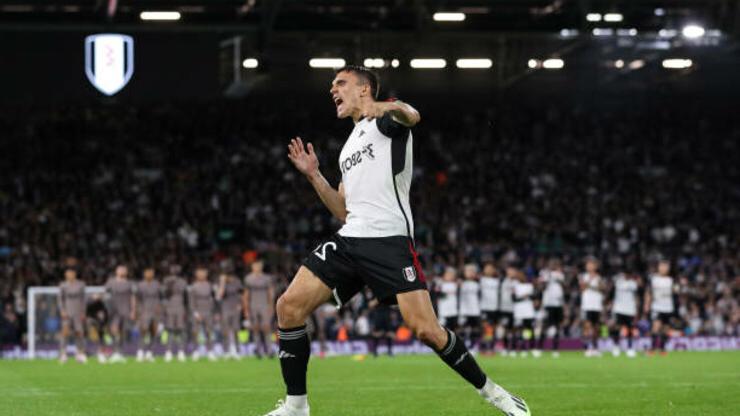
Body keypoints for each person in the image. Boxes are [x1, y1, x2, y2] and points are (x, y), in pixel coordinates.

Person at [262, 66, 530, 416]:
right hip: (351, 238)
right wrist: (314, 176)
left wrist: (385, 107)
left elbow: (413, 115)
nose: (333, 90)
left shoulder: (386, 122)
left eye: (340, 83)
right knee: (288, 306)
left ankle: (494, 393)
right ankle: (296, 406)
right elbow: (343, 211)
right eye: (332, 85)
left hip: (388, 240)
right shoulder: (347, 148)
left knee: (426, 331)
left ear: (364, 89)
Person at [244, 260, 276, 358]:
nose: (257, 267)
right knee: (256, 328)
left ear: (261, 266)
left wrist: (271, 306)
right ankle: (257, 350)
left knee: (267, 328)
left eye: (259, 266)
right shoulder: (248, 278)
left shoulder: (267, 278)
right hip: (253, 305)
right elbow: (246, 295)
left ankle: (269, 350)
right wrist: (246, 309)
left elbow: (270, 293)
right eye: (255, 266)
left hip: (264, 305)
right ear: (252, 267)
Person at [104, 265, 136, 363]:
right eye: (120, 270)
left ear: (126, 272)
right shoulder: (111, 282)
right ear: (116, 272)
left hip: (125, 311)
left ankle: (120, 353)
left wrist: (133, 311)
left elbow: (133, 298)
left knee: (122, 332)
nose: (122, 272)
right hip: (114, 311)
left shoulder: (130, 283)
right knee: (114, 329)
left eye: (124, 270)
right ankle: (115, 352)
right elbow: (105, 294)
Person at [645, 260, 675, 355]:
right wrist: (646, 304)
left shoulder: (671, 280)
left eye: (666, 267)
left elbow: (675, 292)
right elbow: (648, 292)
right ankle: (653, 348)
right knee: (655, 327)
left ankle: (662, 348)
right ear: (658, 267)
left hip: (668, 307)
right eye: (662, 266)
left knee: (665, 329)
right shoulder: (654, 279)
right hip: (657, 307)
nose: (664, 268)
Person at [536, 259, 566, 358]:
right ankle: (539, 348)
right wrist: (546, 280)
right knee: (545, 325)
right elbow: (541, 287)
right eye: (552, 263)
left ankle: (555, 349)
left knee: (557, 326)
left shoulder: (560, 274)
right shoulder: (544, 273)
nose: (554, 265)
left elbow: (565, 286)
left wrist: (560, 280)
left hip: (558, 304)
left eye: (556, 263)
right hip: (548, 303)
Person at [58, 268, 87, 363]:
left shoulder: (81, 284)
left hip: (78, 312)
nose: (69, 275)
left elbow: (83, 299)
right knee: (65, 332)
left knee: (79, 332)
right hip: (67, 312)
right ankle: (63, 353)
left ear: (74, 274)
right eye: (67, 274)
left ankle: (80, 353)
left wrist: (83, 312)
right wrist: (62, 310)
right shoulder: (63, 285)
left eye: (70, 273)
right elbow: (60, 299)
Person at [189, 266, 217, 361]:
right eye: (200, 273)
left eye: (203, 273)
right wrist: (196, 313)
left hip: (208, 311)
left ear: (206, 274)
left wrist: (214, 311)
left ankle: (210, 352)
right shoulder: (193, 286)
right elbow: (191, 301)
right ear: (196, 275)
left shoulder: (210, 285)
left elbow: (213, 299)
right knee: (195, 332)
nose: (202, 275)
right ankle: (196, 351)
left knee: (209, 332)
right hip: (197, 311)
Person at [217, 265, 244, 360]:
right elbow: (219, 296)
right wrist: (222, 283)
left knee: (236, 329)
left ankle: (237, 351)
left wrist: (240, 305)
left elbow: (241, 294)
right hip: (225, 308)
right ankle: (226, 351)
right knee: (225, 330)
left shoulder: (237, 282)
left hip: (235, 308)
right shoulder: (222, 282)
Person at [610, 271, 640, 357]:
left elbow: (636, 296)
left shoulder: (633, 284)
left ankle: (630, 348)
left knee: (630, 329)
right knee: (616, 328)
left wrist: (636, 309)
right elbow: (612, 293)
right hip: (618, 308)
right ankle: (616, 346)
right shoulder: (618, 281)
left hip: (630, 309)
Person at [162, 264, 188, 362]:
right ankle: (168, 352)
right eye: (173, 269)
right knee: (170, 330)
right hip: (170, 307)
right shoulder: (166, 281)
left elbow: (186, 296)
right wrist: (169, 285)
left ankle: (181, 352)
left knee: (180, 330)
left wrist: (185, 308)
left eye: (176, 269)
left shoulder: (183, 282)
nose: (174, 271)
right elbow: (164, 294)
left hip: (180, 307)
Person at [135, 267, 161, 363]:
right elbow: (137, 299)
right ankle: (140, 352)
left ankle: (150, 353)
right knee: (143, 331)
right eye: (147, 273)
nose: (149, 274)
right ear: (144, 274)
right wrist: (138, 311)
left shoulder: (157, 284)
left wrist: (159, 308)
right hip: (144, 311)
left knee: (153, 333)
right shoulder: (140, 285)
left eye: (151, 273)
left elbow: (160, 297)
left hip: (155, 311)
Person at [579, 258, 604, 357]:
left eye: (592, 265)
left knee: (596, 327)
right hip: (587, 305)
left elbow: (602, 288)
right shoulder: (583, 276)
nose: (590, 266)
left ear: (596, 266)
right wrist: (590, 280)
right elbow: (582, 288)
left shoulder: (599, 277)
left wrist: (592, 284)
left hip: (597, 305)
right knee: (587, 326)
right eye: (588, 265)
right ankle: (586, 348)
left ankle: (595, 347)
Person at [513, 270, 536, 358]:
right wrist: (524, 296)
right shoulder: (515, 286)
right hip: (518, 311)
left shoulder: (529, 286)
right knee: (519, 330)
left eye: (523, 275)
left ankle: (530, 347)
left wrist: (522, 296)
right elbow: (514, 298)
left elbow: (532, 296)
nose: (521, 277)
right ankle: (519, 348)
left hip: (528, 311)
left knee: (529, 329)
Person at [479, 263, 501, 354]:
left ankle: (490, 346)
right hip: (484, 307)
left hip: (495, 307)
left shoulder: (498, 281)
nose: (489, 270)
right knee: (486, 327)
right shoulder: (481, 280)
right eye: (487, 268)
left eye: (491, 268)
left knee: (491, 328)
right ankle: (485, 346)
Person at [459, 263, 482, 347]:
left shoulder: (479, 284)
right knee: (463, 327)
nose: (470, 273)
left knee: (475, 328)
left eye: (472, 271)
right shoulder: (460, 283)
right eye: (468, 271)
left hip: (475, 310)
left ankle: (474, 344)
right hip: (464, 310)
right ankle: (463, 344)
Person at [498, 266, 518, 356]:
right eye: (510, 271)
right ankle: (505, 347)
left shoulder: (517, 282)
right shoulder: (502, 281)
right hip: (504, 309)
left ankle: (513, 348)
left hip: (515, 309)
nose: (511, 273)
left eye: (513, 271)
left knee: (513, 329)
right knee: (505, 329)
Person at [436, 267, 460, 333]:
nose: (450, 276)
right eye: (448, 274)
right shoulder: (440, 284)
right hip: (443, 311)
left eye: (452, 275)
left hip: (453, 311)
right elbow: (438, 294)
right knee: (442, 328)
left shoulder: (456, 284)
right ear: (443, 275)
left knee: (454, 328)